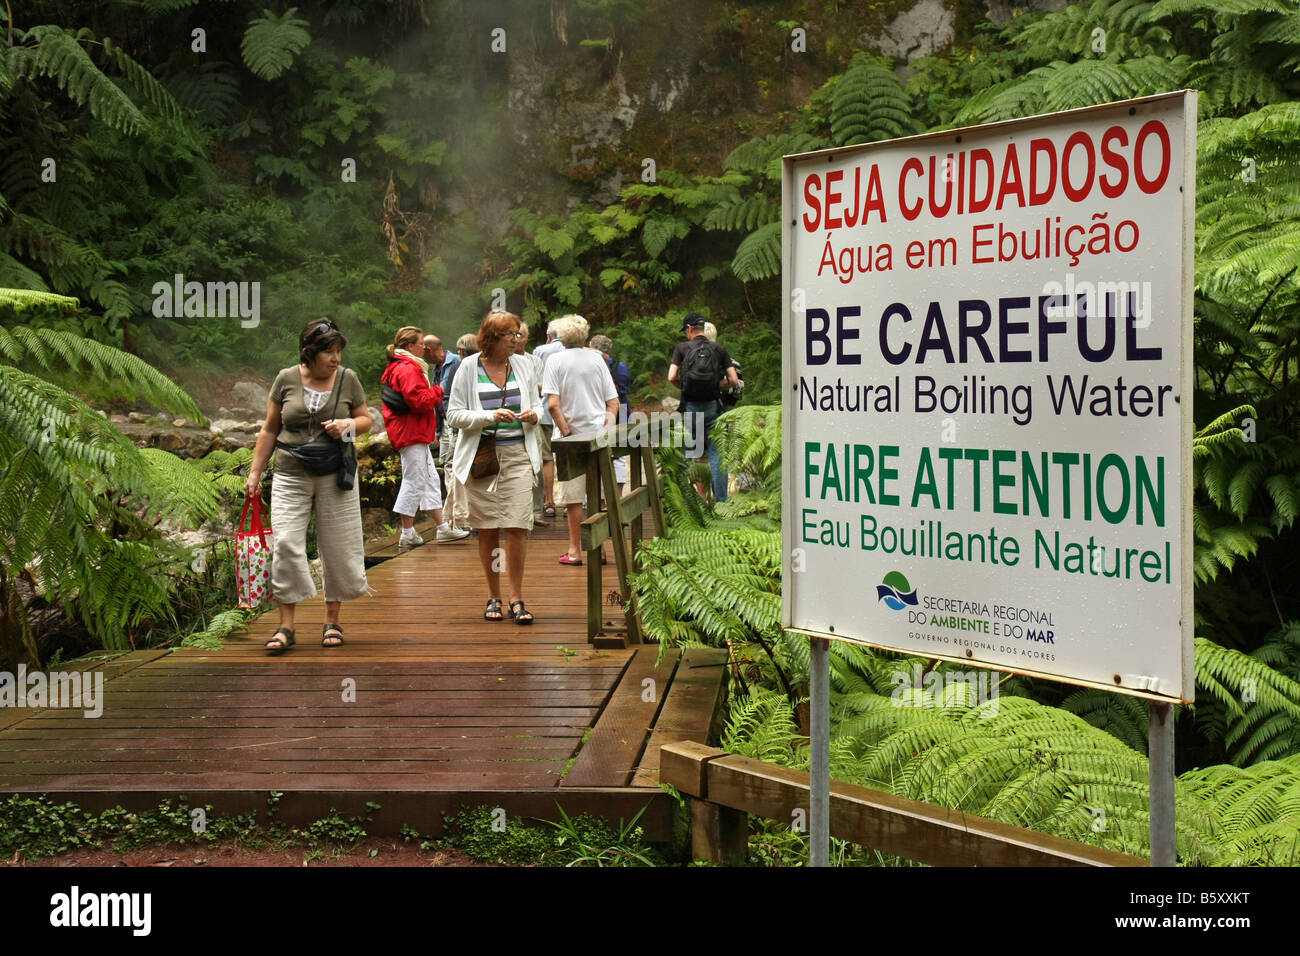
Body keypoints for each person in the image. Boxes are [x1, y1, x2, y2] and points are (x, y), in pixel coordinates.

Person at [244, 318, 371, 654]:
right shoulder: (286, 379)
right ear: (307, 353)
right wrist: (255, 474)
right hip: (290, 472)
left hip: (335, 474)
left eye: (338, 351)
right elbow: (269, 429)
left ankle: (332, 620)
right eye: (328, 352)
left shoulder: (348, 380)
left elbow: (366, 420)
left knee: (338, 546)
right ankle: (286, 626)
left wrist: (347, 425)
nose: (335, 358)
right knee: (286, 543)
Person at [447, 311, 543, 624]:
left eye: (518, 334)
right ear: (492, 338)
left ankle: (517, 598)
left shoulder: (525, 364)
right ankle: (494, 596)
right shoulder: (468, 368)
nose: (518, 340)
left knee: (517, 525)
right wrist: (488, 417)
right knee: (487, 527)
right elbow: (454, 415)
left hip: (517, 455)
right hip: (483, 458)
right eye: (511, 335)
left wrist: (534, 415)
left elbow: (540, 405)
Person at [382, 327, 469, 551]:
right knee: (414, 479)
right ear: (410, 346)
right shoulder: (408, 369)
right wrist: (438, 391)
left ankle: (442, 528)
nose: (425, 347)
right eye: (421, 343)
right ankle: (407, 532)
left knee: (430, 478)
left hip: (412, 431)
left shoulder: (401, 365)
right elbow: (418, 401)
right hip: (410, 432)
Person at [542, 314, 620, 566]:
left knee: (573, 498)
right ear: (585, 334)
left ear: (560, 336)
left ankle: (575, 550)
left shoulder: (555, 360)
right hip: (597, 439)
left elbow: (553, 404)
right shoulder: (597, 359)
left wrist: (567, 434)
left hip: (570, 441)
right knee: (596, 495)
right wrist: (605, 429)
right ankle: (600, 549)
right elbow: (613, 401)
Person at [668, 312, 737, 503]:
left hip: (691, 409)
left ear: (689, 329)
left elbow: (671, 376)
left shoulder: (681, 348)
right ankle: (721, 503)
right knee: (717, 456)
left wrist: (684, 387)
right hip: (713, 408)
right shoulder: (719, 349)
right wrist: (717, 386)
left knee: (692, 455)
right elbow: (733, 380)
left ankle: (691, 504)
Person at [440, 333, 481, 532]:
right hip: (483, 429)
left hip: (461, 429)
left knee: (456, 469)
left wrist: (450, 424)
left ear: (462, 351)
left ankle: (456, 518)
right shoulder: (486, 365)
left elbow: (448, 399)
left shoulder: (459, 367)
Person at [533, 320, 564, 518]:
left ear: (548, 335)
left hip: (544, 411)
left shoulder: (540, 351)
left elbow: (535, 382)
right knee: (568, 456)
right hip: (566, 414)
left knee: (546, 458)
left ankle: (549, 502)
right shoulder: (576, 350)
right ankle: (573, 503)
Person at [590, 333, 631, 486]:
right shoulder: (620, 367)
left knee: (597, 454)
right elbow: (624, 389)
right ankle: (618, 497)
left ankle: (598, 499)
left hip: (597, 413)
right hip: (620, 413)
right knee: (619, 455)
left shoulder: (591, 366)